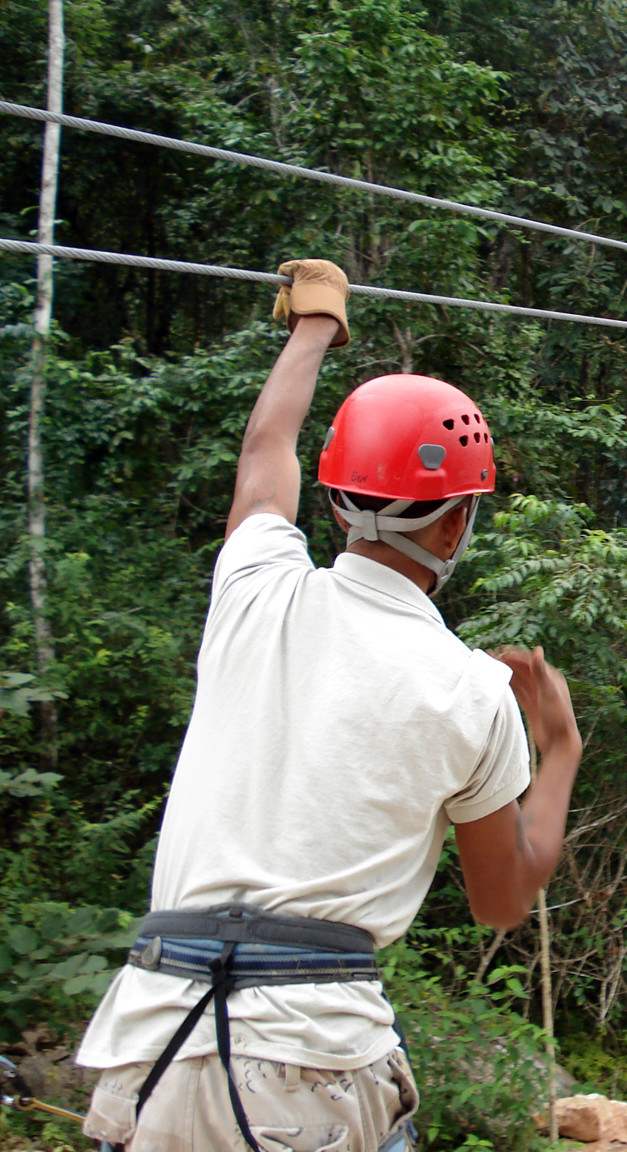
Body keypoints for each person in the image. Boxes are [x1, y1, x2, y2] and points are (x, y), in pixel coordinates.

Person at [75, 259, 583, 1152]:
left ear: (339, 501)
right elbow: (503, 899)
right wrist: (562, 750)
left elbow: (263, 453)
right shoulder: (470, 691)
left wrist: (316, 324)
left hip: (153, 1045)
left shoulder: (255, 589)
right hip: (310, 1062)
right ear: (456, 524)